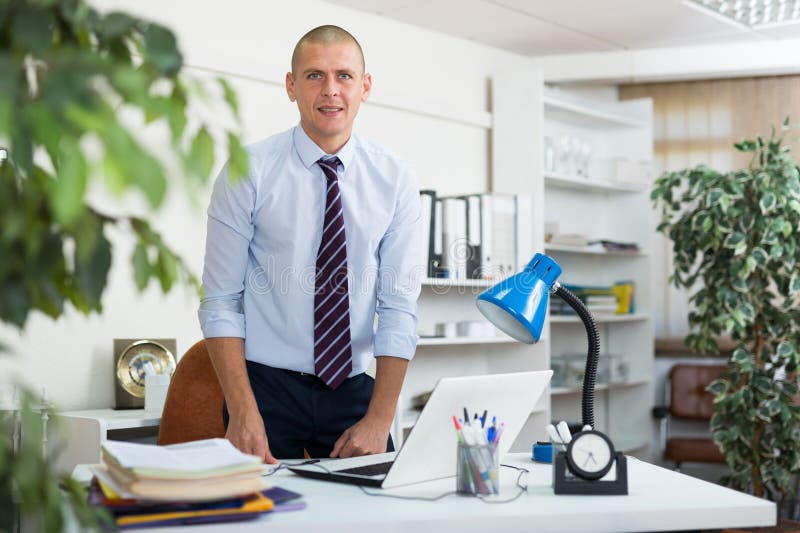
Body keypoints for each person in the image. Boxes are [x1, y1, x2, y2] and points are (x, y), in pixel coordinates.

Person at [198, 25, 422, 464]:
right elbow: (221, 300)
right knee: (259, 520)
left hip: (353, 390)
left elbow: (399, 307)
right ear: (291, 85)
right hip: (266, 390)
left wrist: (380, 420)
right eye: (315, 75)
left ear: (365, 87)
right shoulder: (249, 171)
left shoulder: (394, 179)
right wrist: (243, 411)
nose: (330, 90)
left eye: (344, 76)